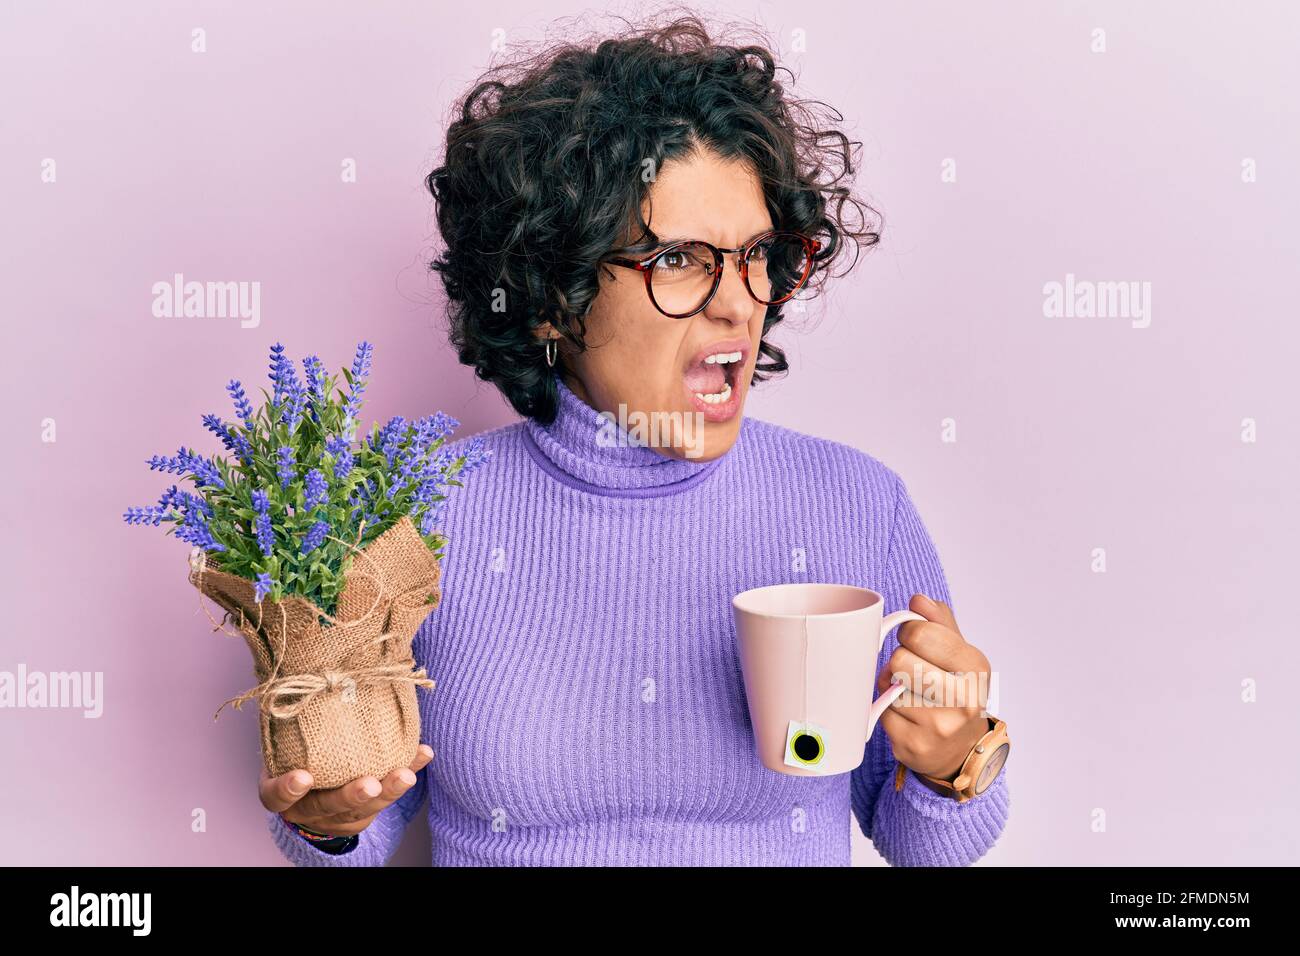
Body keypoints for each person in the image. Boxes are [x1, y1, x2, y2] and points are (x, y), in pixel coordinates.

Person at [260, 12, 1009, 866]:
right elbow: (360, 824)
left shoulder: (855, 505)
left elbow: (927, 847)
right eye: (681, 260)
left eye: (759, 252)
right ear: (551, 295)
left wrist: (959, 760)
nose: (741, 302)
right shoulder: (417, 516)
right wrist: (328, 816)